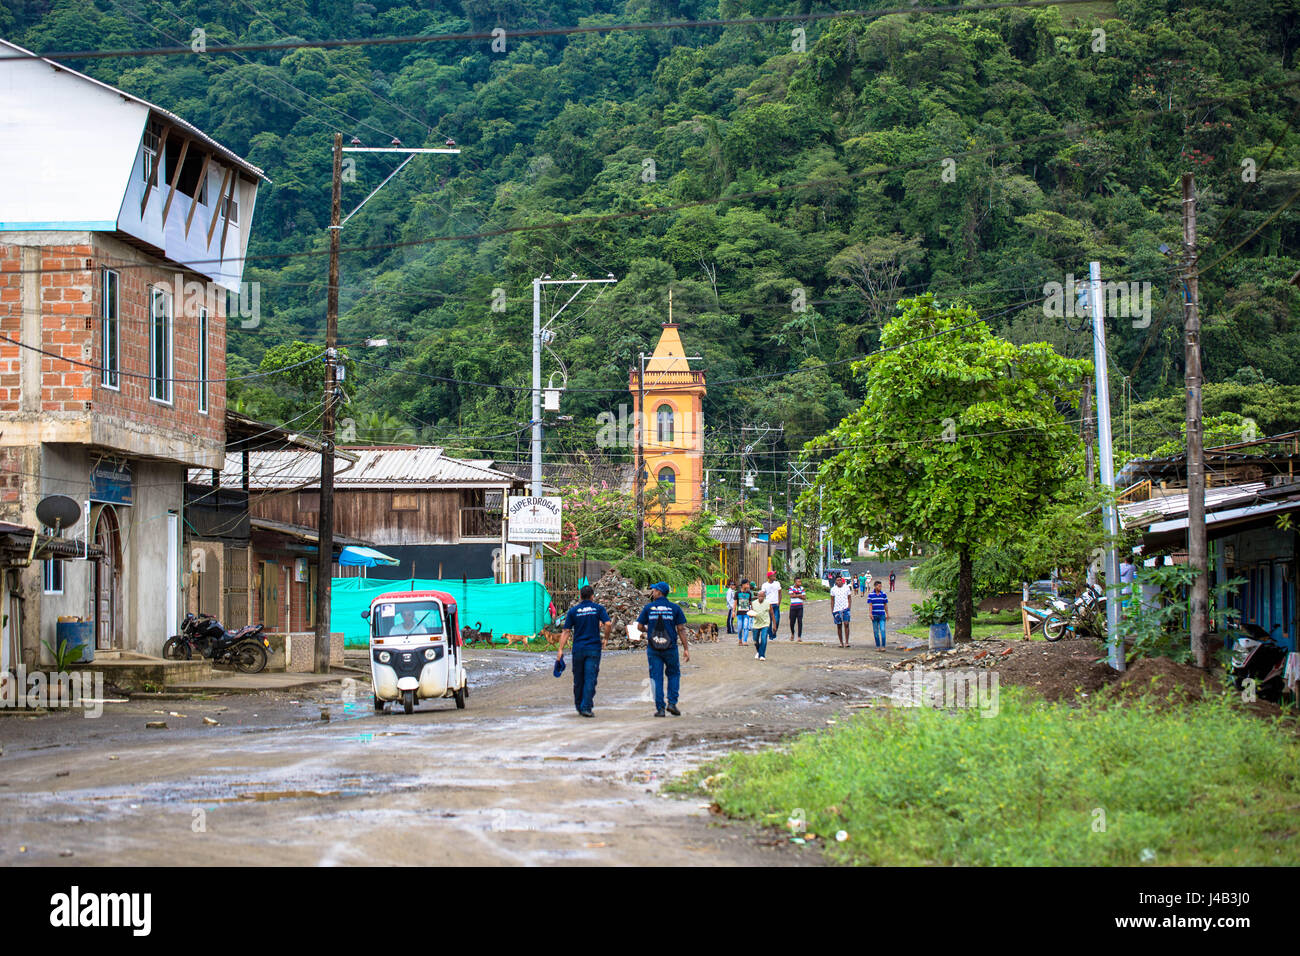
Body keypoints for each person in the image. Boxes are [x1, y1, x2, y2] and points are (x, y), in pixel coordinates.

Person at [556, 584, 612, 717]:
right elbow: (608, 624)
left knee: (578, 678)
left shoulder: (573, 611)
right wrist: (606, 638)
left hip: (578, 649)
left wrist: (560, 650)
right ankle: (586, 707)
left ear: (580, 597)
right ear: (593, 596)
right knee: (590, 678)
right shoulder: (598, 609)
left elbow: (566, 631)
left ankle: (579, 705)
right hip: (593, 648)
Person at [636, 582, 690, 717]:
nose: (652, 593)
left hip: (653, 648)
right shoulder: (674, 608)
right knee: (673, 674)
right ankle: (672, 703)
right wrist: (686, 649)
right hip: (670, 647)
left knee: (656, 677)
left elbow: (639, 627)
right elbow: (681, 629)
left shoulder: (649, 608)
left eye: (653, 590)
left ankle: (660, 708)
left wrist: (647, 629)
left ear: (659, 592)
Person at [830, 574, 853, 647]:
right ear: (835, 581)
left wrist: (849, 607)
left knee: (846, 624)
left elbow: (849, 598)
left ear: (842, 581)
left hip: (845, 608)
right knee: (839, 626)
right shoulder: (833, 589)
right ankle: (841, 642)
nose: (839, 581)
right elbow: (832, 600)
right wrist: (832, 610)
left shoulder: (846, 588)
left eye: (840, 580)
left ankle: (847, 642)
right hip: (837, 609)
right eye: (837, 580)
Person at [866, 580, 889, 650]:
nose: (880, 587)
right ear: (875, 586)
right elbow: (870, 605)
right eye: (879, 586)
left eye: (881, 586)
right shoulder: (871, 595)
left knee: (882, 630)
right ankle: (878, 646)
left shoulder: (884, 594)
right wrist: (870, 613)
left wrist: (887, 613)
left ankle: (883, 646)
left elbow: (885, 605)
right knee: (876, 632)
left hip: (882, 615)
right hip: (874, 615)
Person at [749, 589, 771, 661]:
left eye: (762, 596)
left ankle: (762, 655)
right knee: (755, 640)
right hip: (756, 624)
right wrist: (751, 615)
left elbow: (772, 614)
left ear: (764, 596)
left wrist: (774, 625)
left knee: (764, 639)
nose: (761, 598)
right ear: (757, 596)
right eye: (759, 596)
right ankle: (759, 651)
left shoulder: (768, 603)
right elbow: (751, 612)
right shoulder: (753, 603)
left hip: (765, 623)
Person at [762, 571, 782, 636]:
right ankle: (770, 634)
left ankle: (774, 630)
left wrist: (779, 602)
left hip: (775, 604)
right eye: (773, 575)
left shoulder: (777, 583)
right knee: (769, 620)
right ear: (769, 577)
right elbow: (762, 594)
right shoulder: (765, 585)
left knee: (777, 619)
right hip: (768, 604)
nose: (774, 577)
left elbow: (780, 593)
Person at [735, 579, 754, 645]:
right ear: (743, 585)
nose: (748, 586)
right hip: (739, 613)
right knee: (740, 627)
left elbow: (750, 602)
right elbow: (735, 603)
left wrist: (752, 610)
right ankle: (740, 640)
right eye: (747, 584)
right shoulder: (737, 593)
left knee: (746, 627)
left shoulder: (749, 593)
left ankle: (745, 641)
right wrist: (733, 612)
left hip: (747, 613)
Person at [788, 577, 806, 641]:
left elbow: (804, 597)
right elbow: (791, 596)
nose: (800, 583)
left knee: (800, 621)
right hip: (793, 607)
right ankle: (792, 633)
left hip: (800, 607)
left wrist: (796, 594)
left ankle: (799, 636)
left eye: (800, 582)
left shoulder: (802, 588)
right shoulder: (791, 587)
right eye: (798, 582)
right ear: (795, 582)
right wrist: (799, 595)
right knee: (792, 622)